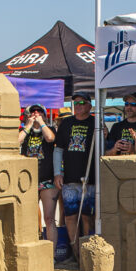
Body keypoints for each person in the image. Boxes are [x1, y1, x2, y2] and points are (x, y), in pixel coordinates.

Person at [54, 91, 97, 261]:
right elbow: (58, 149)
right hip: (69, 178)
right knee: (70, 216)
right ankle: (76, 253)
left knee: (87, 216)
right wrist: (58, 172)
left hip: (90, 178)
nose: (78, 106)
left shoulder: (95, 122)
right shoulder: (66, 123)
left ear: (89, 105)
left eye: (81, 103)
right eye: (75, 103)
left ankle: (87, 254)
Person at [17, 104, 58, 238]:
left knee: (49, 218)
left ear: (45, 116)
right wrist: (28, 127)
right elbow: (15, 142)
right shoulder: (24, 132)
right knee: (29, 218)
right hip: (28, 181)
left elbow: (50, 138)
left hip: (47, 179)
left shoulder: (50, 129)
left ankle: (51, 256)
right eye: (33, 112)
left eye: (40, 112)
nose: (36, 114)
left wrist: (41, 123)